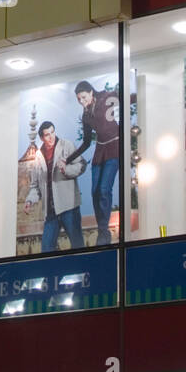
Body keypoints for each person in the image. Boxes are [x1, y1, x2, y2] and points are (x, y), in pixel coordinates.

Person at [66, 80, 121, 245]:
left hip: (115, 147)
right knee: (95, 191)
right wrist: (68, 159)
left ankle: (104, 234)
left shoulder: (107, 97)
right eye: (79, 100)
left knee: (104, 189)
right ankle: (102, 231)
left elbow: (128, 98)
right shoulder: (86, 115)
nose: (82, 102)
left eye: (83, 97)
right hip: (100, 151)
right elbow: (86, 142)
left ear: (91, 92)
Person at [22, 121, 87, 252]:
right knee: (46, 250)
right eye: (47, 135)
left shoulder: (66, 145)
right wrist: (30, 200)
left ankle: (85, 272)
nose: (51, 136)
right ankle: (51, 273)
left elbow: (82, 165)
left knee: (78, 246)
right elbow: (35, 186)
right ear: (41, 138)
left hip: (69, 207)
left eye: (52, 132)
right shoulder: (38, 157)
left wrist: (66, 169)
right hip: (51, 212)